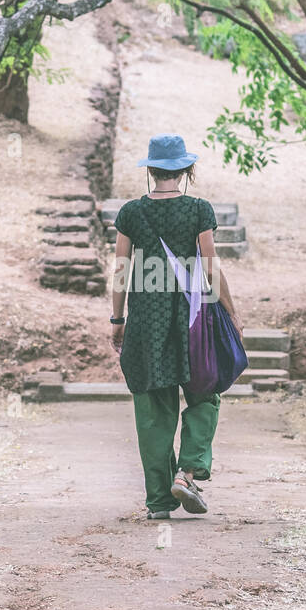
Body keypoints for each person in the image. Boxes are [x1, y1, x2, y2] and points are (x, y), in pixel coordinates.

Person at [110, 134, 243, 520]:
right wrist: (232, 313)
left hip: (147, 325)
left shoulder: (131, 213)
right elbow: (211, 267)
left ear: (150, 171)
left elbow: (121, 271)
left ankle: (158, 503)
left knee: (153, 409)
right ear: (186, 171)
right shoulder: (199, 210)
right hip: (194, 323)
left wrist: (118, 319)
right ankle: (187, 473)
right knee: (205, 394)